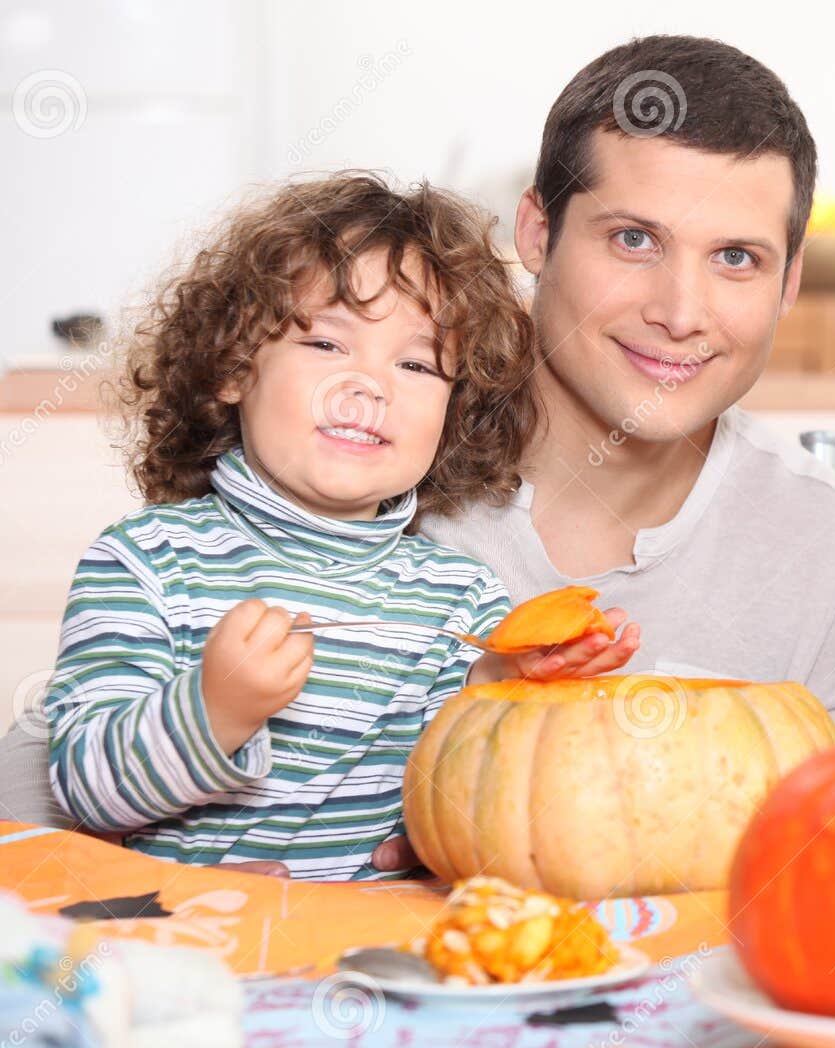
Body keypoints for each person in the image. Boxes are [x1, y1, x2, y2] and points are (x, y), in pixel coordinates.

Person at [0, 37, 835, 866]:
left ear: (791, 280)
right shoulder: (356, 465)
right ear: (537, 231)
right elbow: (51, 787)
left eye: (736, 259)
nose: (681, 311)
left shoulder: (825, 542)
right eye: (634, 239)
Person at [45, 174, 631, 880]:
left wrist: (508, 677)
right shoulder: (145, 564)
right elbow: (84, 787)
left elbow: (484, 788)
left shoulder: (462, 601)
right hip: (197, 955)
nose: (370, 385)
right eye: (327, 345)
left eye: (416, 363)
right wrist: (213, 710)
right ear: (234, 367)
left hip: (378, 965)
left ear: (454, 412)